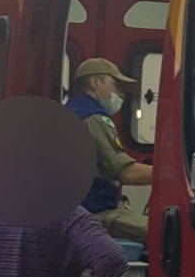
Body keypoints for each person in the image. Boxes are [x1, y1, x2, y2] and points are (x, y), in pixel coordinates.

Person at [65, 57, 153, 240]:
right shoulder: (93, 118)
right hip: (86, 213)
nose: (121, 94)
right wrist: (171, 173)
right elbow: (125, 173)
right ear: (95, 82)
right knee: (164, 231)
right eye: (116, 85)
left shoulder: (71, 111)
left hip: (70, 213)